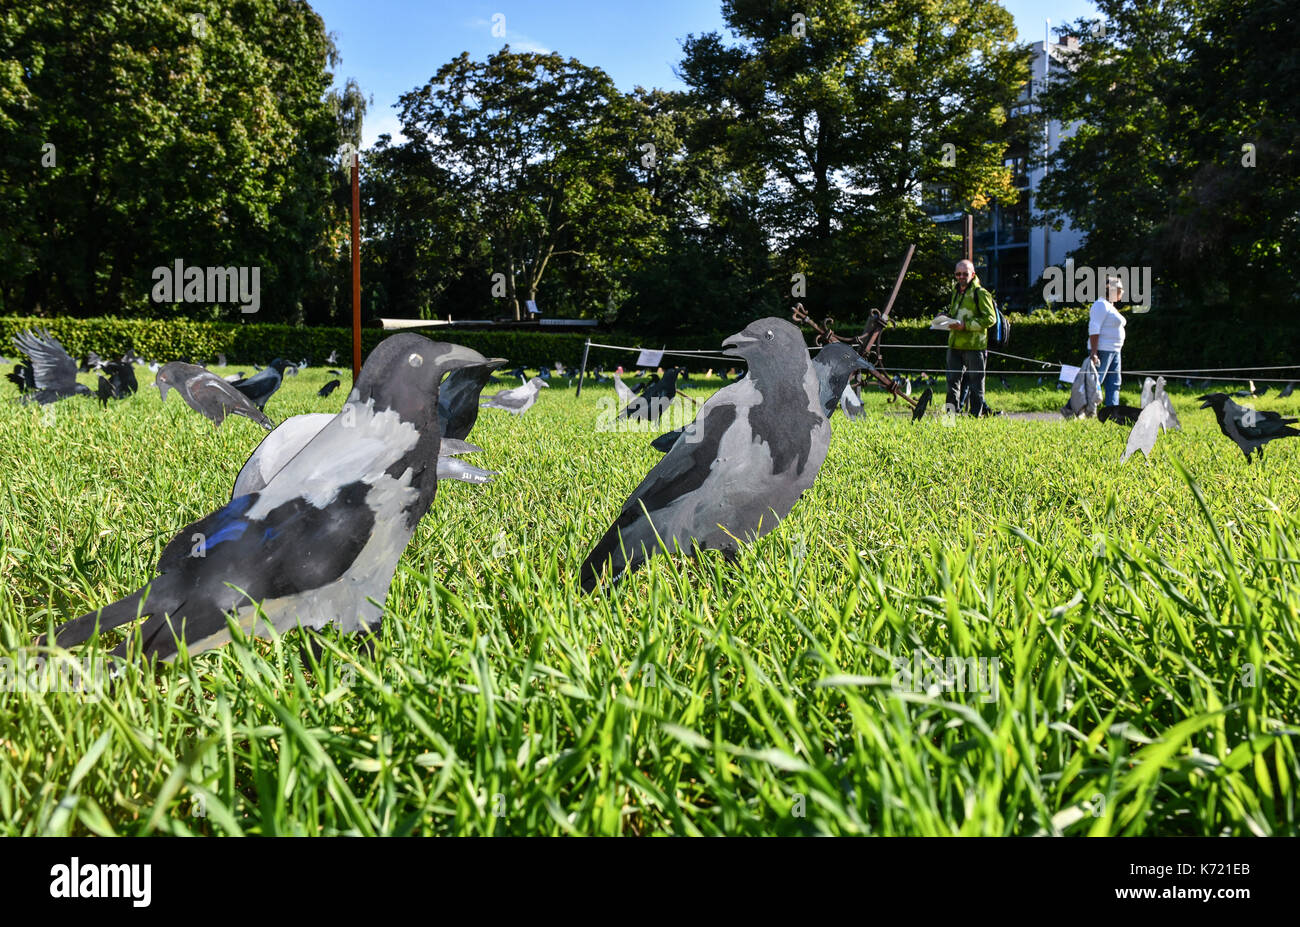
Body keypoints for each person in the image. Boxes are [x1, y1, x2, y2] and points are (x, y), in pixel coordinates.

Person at [944, 260, 997, 416]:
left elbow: (990, 319)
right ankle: (949, 420)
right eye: (958, 274)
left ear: (973, 274)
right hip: (954, 345)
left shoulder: (980, 293)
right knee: (951, 384)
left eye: (965, 273)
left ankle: (975, 419)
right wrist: (945, 317)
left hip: (975, 347)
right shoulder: (955, 292)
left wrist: (965, 325)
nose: (961, 277)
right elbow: (954, 314)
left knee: (976, 385)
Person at [1088, 277, 1126, 407]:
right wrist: (1094, 352)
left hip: (1114, 350)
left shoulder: (1109, 306)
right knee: (1094, 382)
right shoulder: (1101, 304)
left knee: (1114, 383)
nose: (1123, 291)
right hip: (1103, 350)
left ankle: (1112, 412)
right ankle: (1075, 408)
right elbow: (1094, 328)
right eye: (1121, 289)